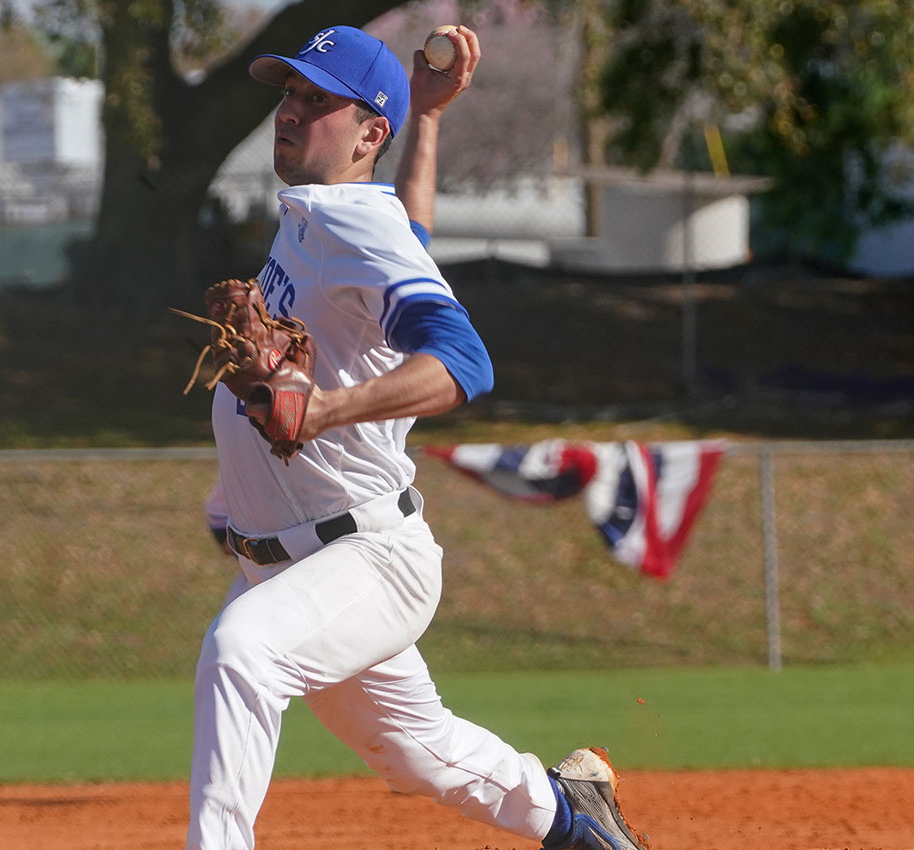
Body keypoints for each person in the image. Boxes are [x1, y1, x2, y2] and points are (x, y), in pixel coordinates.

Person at [189, 24, 650, 850]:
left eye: (315, 99)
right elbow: (415, 243)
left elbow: (465, 362)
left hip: (365, 557)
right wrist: (429, 119)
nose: (289, 112)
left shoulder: (353, 228)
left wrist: (322, 411)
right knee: (419, 755)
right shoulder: (328, 216)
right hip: (286, 562)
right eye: (288, 95)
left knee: (242, 654)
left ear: (370, 133)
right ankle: (575, 815)